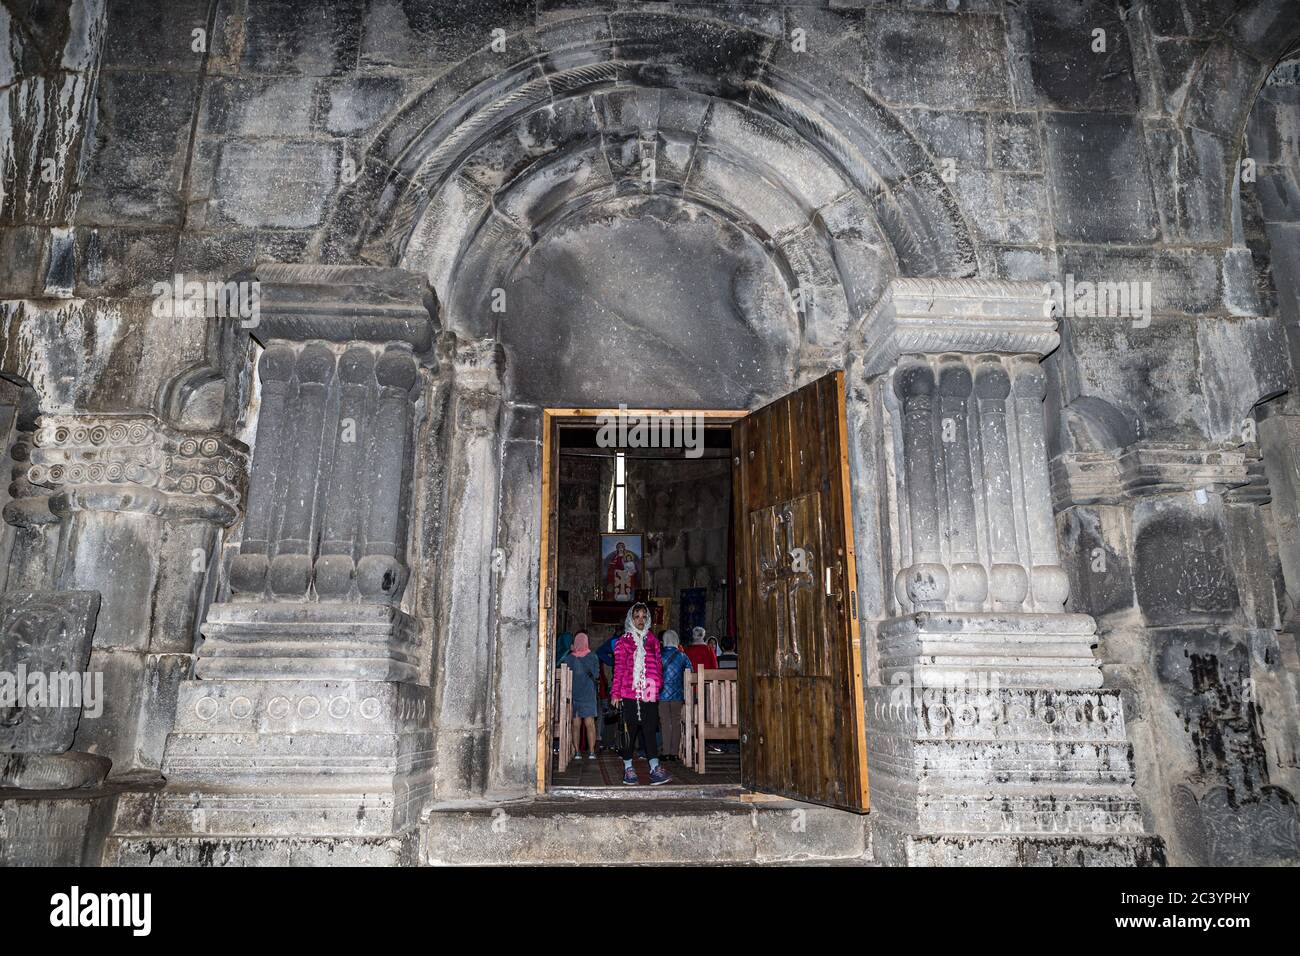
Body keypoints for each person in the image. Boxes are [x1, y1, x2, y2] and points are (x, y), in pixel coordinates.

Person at [611, 602, 671, 785]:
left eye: (644, 617)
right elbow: (619, 669)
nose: (640, 620)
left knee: (649, 730)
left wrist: (657, 682)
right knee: (630, 731)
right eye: (637, 616)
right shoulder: (624, 641)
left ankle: (654, 767)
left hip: (649, 691)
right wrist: (616, 693)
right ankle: (628, 768)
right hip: (629, 693)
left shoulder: (652, 640)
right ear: (631, 618)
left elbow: (659, 665)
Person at [559, 631, 601, 760]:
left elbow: (561, 667)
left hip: (573, 695)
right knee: (590, 724)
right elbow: (597, 675)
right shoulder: (593, 657)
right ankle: (592, 752)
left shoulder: (569, 658)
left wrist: (569, 651)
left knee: (575, 725)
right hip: (588, 695)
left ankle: (577, 752)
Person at [658, 630, 693, 762]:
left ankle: (665, 751)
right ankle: (674, 753)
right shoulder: (682, 656)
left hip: (662, 694)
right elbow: (691, 672)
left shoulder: (658, 655)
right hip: (678, 693)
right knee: (676, 722)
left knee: (665, 722)